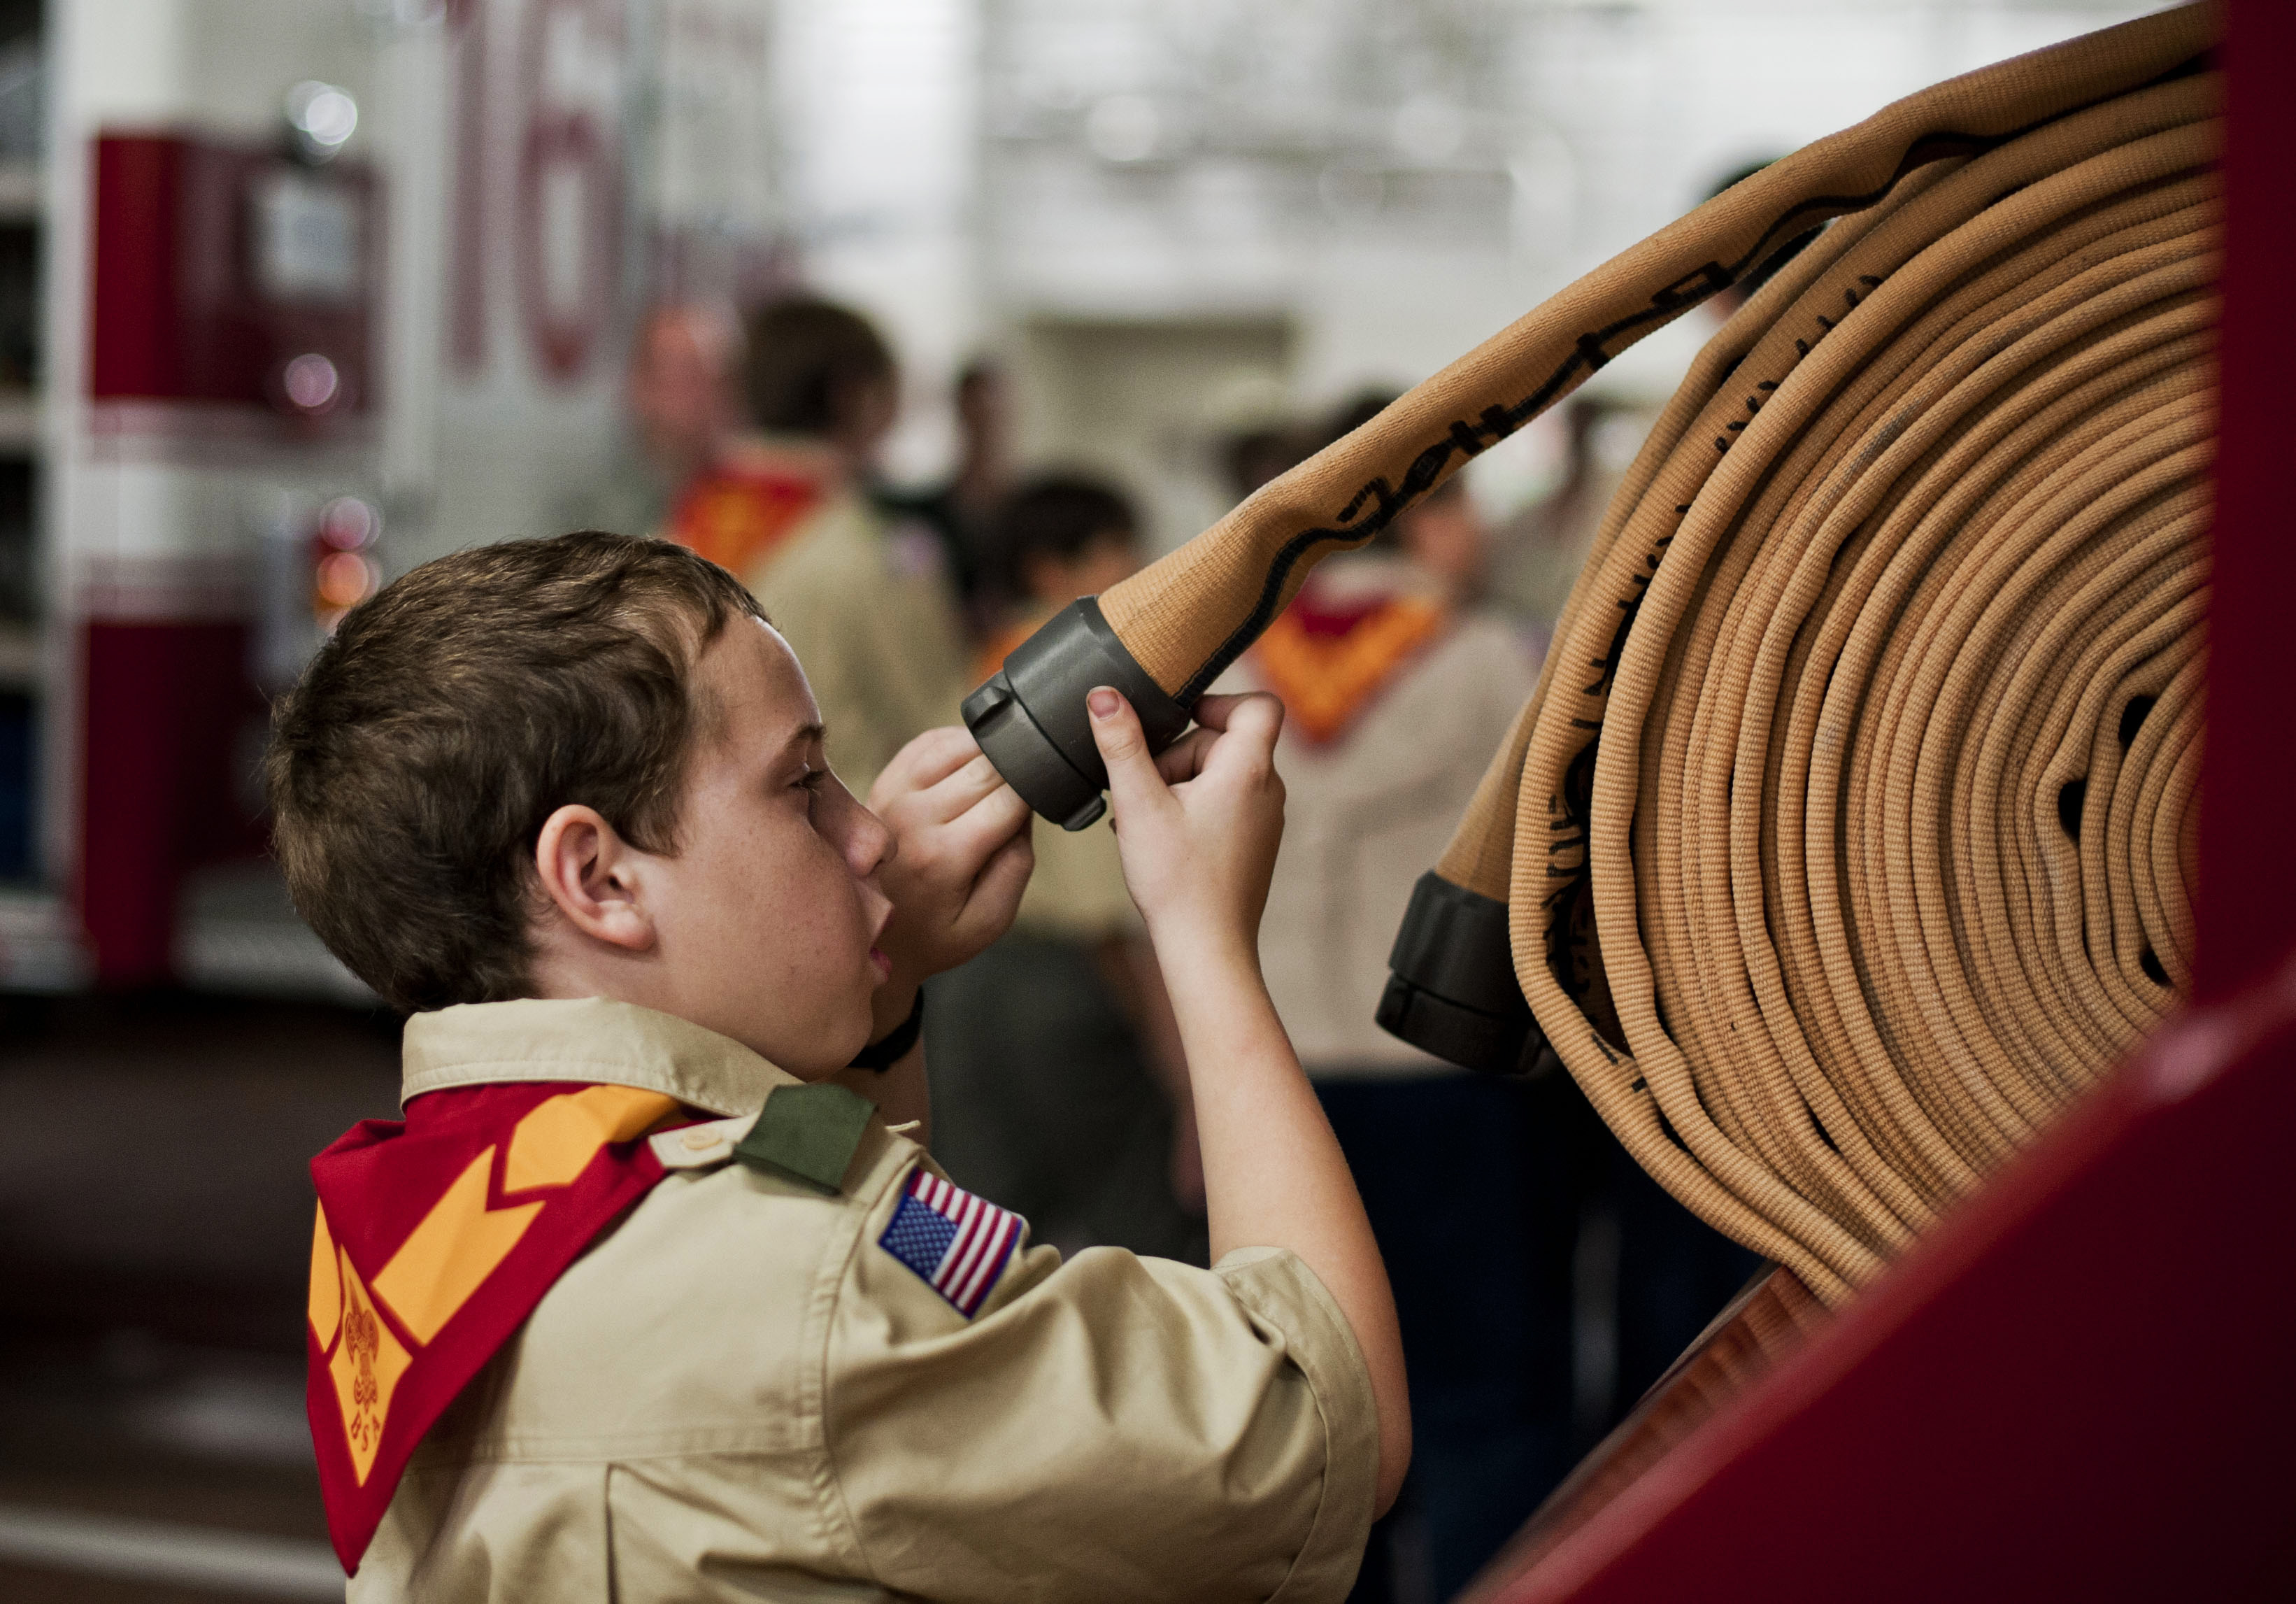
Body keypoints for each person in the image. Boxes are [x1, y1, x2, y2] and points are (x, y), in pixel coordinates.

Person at [269, 530, 1407, 1599]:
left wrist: (877, 979)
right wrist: (1203, 940)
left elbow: (851, 1193)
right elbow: (1318, 1420)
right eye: (802, 783)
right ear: (601, 877)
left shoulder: (454, 1202)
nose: (868, 833)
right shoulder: (797, 1294)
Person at [1225, 393, 1550, 1603]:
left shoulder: (1242, 663)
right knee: (1476, 1392)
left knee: (1318, 1401)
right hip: (1449, 1074)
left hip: (1281, 1086)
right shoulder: (1491, 658)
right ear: (1433, 506)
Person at [928, 475, 1204, 1263]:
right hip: (1073, 995)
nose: (1141, 566)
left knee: (986, 1250)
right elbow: (1110, 913)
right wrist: (1189, 1083)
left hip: (961, 988)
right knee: (1147, 1237)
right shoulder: (1088, 692)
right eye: (1120, 549)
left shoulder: (970, 680)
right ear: (1051, 570)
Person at [666, 296, 967, 796]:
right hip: (848, 844)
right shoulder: (877, 553)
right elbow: (944, 731)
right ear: (853, 396)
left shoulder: (673, 533)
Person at [559, 302, 739, 538]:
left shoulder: (750, 494)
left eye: (715, 379)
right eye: (684, 377)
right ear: (639, 387)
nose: (703, 396)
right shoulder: (595, 509)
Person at [874, 359, 1013, 625]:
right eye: (974, 404)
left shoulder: (1026, 510)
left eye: (992, 405)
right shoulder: (917, 511)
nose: (984, 415)